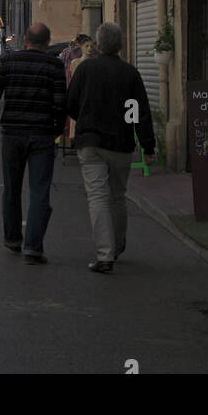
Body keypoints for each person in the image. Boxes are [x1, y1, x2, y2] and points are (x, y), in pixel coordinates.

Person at [0, 22, 67, 265]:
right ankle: (33, 247)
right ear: (47, 42)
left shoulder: (8, 62)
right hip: (42, 134)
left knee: (11, 188)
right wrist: (55, 131)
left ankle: (13, 239)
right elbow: (60, 104)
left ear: (25, 40)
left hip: (12, 133)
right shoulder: (54, 65)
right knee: (39, 191)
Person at [66, 21, 156, 274]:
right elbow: (140, 113)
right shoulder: (130, 74)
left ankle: (105, 255)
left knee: (97, 197)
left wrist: (84, 118)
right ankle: (116, 246)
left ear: (98, 45)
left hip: (91, 142)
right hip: (120, 143)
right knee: (117, 196)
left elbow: (71, 103)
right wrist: (148, 147)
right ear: (120, 45)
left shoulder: (85, 70)